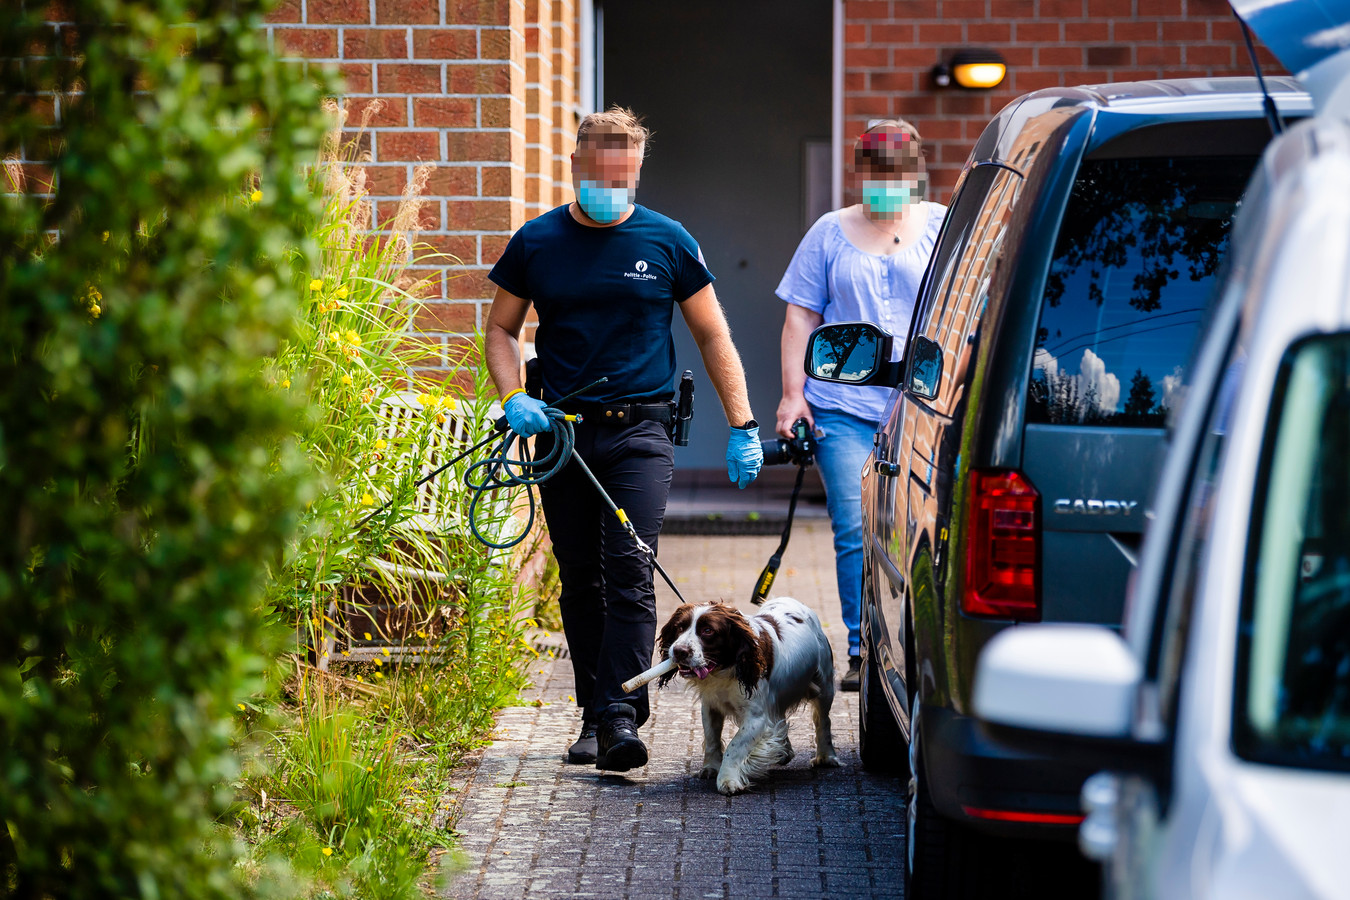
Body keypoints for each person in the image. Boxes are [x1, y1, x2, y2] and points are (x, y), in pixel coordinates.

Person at [485, 107, 764, 771]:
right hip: (563, 437)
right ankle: (593, 715)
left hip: (641, 430)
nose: (612, 183)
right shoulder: (537, 241)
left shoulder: (667, 240)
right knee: (580, 577)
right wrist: (513, 397)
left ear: (636, 171)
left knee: (630, 568)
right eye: (601, 171)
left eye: (625, 173)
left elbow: (712, 334)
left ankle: (618, 715)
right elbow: (499, 329)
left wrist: (743, 423)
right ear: (578, 166)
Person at [774, 119, 946, 690]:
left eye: (901, 175)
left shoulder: (943, 227)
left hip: (920, 405)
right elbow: (801, 314)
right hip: (843, 407)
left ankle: (922, 642)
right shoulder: (829, 232)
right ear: (861, 172)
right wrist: (793, 397)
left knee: (921, 528)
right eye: (879, 176)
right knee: (856, 526)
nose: (889, 187)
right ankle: (862, 647)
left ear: (917, 173)